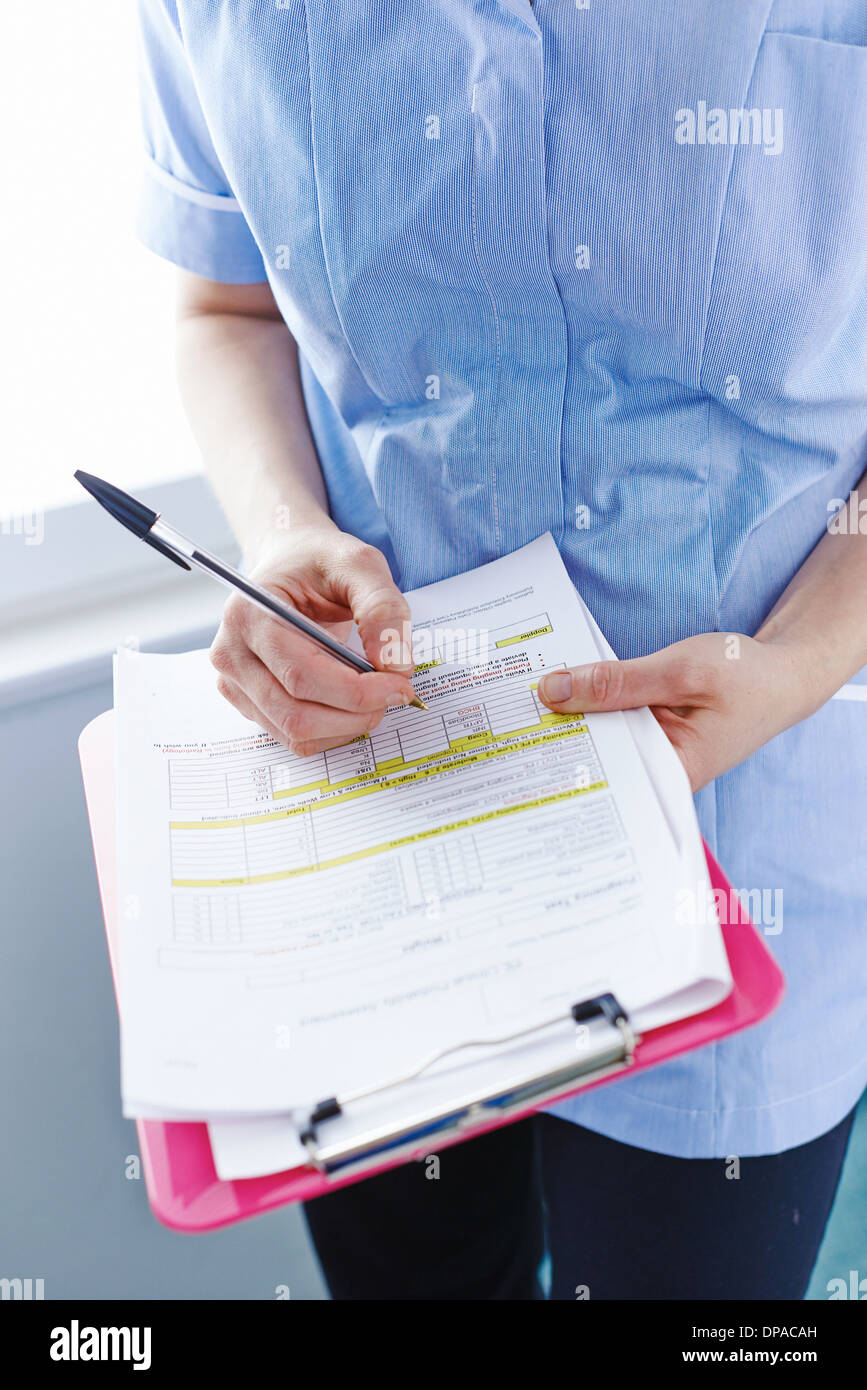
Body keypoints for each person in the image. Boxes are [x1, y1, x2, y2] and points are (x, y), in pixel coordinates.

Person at [136, 1, 867, 1298]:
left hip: (746, 838)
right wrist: (283, 527)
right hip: (381, 834)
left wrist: (804, 659)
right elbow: (225, 302)